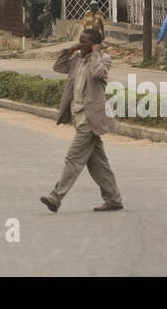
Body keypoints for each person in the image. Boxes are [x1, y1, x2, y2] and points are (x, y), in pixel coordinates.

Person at [41, 29, 123, 214]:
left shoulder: (103, 59)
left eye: (84, 42)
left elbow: (97, 74)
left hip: (90, 119)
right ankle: (113, 199)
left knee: (74, 157)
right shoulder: (76, 60)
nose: (81, 45)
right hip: (78, 117)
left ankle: (56, 197)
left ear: (94, 44)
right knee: (97, 163)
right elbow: (58, 67)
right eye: (80, 41)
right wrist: (71, 49)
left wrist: (95, 53)